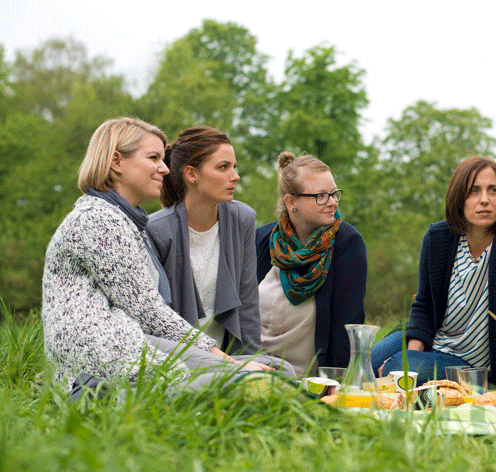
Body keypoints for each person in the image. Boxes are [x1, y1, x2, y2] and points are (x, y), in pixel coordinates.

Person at [42, 117, 277, 392]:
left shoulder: (126, 221)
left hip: (129, 346)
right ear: (116, 162)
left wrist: (235, 360)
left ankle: (263, 389)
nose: (164, 168)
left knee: (273, 368)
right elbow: (149, 313)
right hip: (102, 360)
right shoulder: (98, 219)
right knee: (245, 378)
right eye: (153, 157)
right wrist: (229, 362)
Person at [371, 156, 496, 387]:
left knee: (395, 368)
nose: (485, 200)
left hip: (470, 363)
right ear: (459, 198)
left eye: (493, 190)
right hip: (433, 340)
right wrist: (412, 359)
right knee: (367, 360)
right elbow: (424, 306)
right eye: (474, 191)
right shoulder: (438, 238)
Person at [146, 126, 291, 375]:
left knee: (281, 369)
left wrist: (254, 363)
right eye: (223, 167)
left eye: (234, 167)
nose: (234, 176)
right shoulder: (156, 230)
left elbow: (247, 302)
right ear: (192, 174)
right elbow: (157, 320)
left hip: (228, 353)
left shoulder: (242, 219)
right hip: (178, 356)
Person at [255, 152, 367, 375]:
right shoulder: (263, 240)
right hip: (255, 369)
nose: (333, 202)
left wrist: (333, 386)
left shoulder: (346, 243)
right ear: (291, 202)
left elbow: (346, 327)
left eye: (334, 193)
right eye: (321, 196)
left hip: (311, 381)